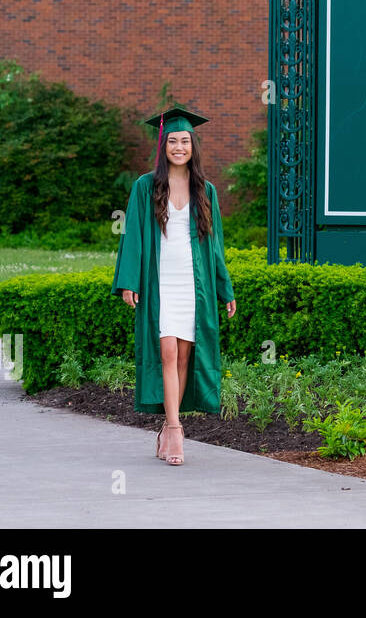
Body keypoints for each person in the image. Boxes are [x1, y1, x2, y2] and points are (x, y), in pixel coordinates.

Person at [110, 105, 237, 466]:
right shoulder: (145, 186)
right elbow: (134, 236)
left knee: (183, 357)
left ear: (193, 146)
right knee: (166, 351)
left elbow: (215, 245)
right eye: (172, 141)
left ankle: (168, 428)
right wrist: (129, 281)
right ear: (163, 146)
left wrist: (224, 288)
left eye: (185, 141)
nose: (179, 147)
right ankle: (177, 430)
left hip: (193, 286)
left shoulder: (206, 190)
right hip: (160, 283)